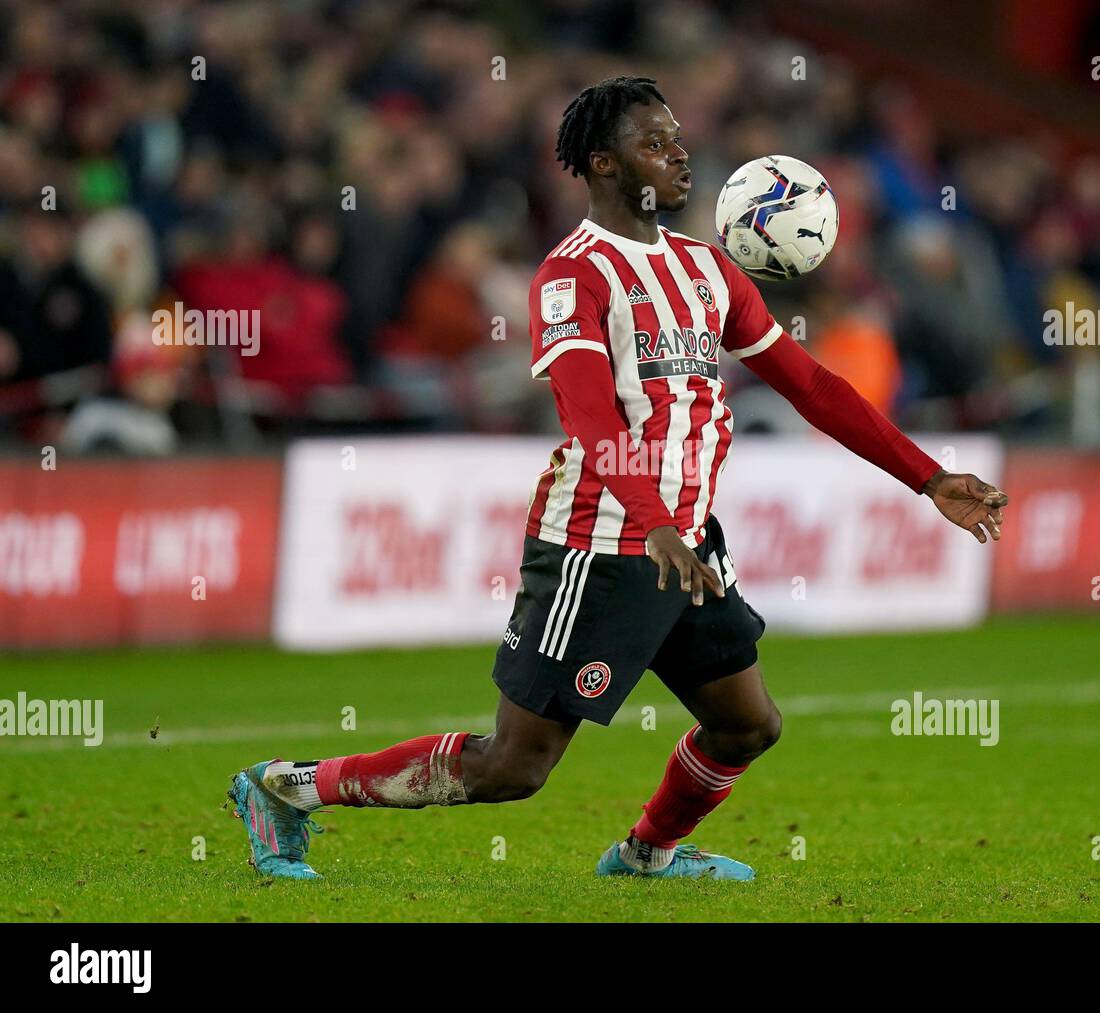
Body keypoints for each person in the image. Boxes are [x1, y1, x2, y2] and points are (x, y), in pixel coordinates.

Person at [227, 76, 1008, 881]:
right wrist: (653, 518)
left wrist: (929, 476)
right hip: (598, 541)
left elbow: (812, 386)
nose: (678, 155)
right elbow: (591, 419)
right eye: (653, 142)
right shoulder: (574, 276)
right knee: (512, 768)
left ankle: (646, 853)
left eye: (676, 138)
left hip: (686, 541)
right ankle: (287, 789)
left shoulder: (708, 269)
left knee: (746, 724)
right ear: (603, 163)